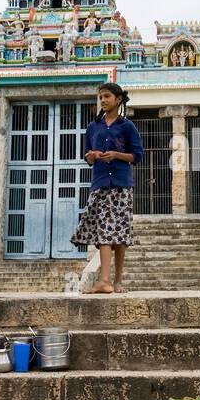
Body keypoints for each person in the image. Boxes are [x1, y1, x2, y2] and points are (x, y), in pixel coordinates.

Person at [72, 82, 143, 293]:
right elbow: (87, 158)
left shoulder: (127, 126)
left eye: (107, 97)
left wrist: (116, 155)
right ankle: (104, 280)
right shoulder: (93, 127)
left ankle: (117, 281)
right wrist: (92, 156)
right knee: (104, 229)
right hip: (100, 185)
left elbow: (137, 156)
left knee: (120, 234)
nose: (103, 100)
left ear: (118, 99)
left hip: (121, 186)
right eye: (101, 97)